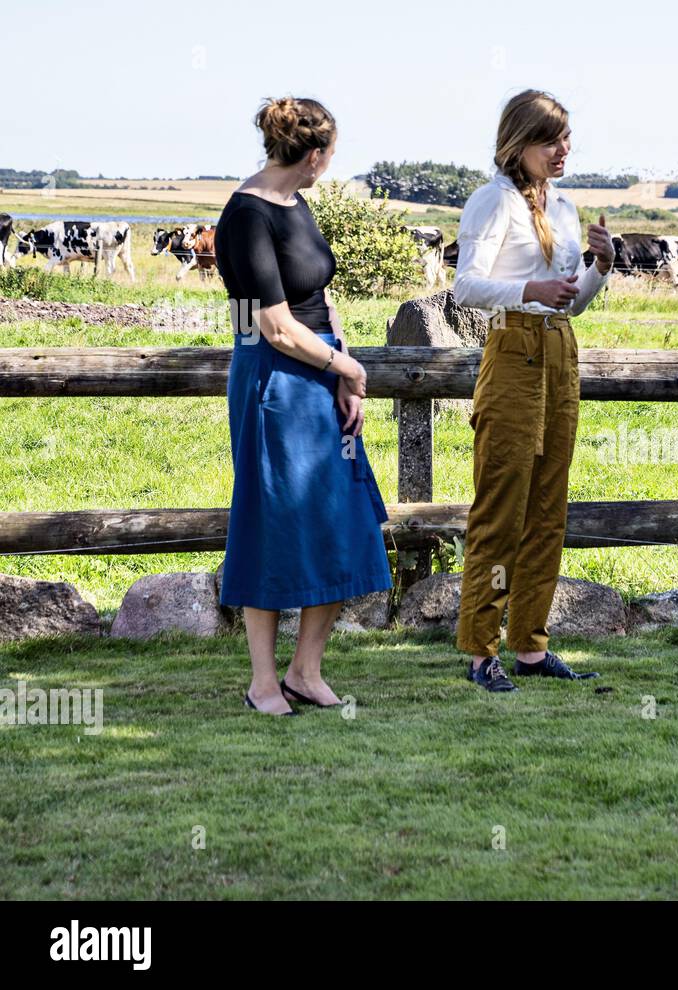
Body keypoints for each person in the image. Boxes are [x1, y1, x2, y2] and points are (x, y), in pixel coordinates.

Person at [216, 96, 391, 715]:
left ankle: (305, 672)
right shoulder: (246, 214)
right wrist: (344, 365)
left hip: (322, 372)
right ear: (314, 155)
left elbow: (318, 294)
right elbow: (272, 325)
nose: (330, 165)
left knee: (344, 520)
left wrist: (343, 368)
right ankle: (263, 682)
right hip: (276, 383)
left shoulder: (297, 203)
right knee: (272, 524)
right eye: (332, 155)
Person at [453, 89, 615, 692]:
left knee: (548, 509)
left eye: (566, 138)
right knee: (501, 509)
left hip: (559, 349)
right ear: (518, 144)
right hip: (513, 348)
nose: (562, 150)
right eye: (551, 140)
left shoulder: (566, 208)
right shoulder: (491, 203)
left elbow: (572, 299)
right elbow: (465, 287)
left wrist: (600, 268)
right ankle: (479, 650)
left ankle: (530, 645)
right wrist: (528, 292)